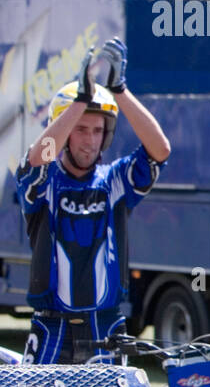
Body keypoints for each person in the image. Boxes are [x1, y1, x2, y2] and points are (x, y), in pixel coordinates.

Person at [15, 40, 170, 364]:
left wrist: (119, 90)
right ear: (64, 131)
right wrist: (80, 101)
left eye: (97, 131)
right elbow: (36, 160)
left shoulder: (114, 181)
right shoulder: (45, 183)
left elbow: (160, 150)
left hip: (106, 326)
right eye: (80, 129)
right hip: (50, 327)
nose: (89, 140)